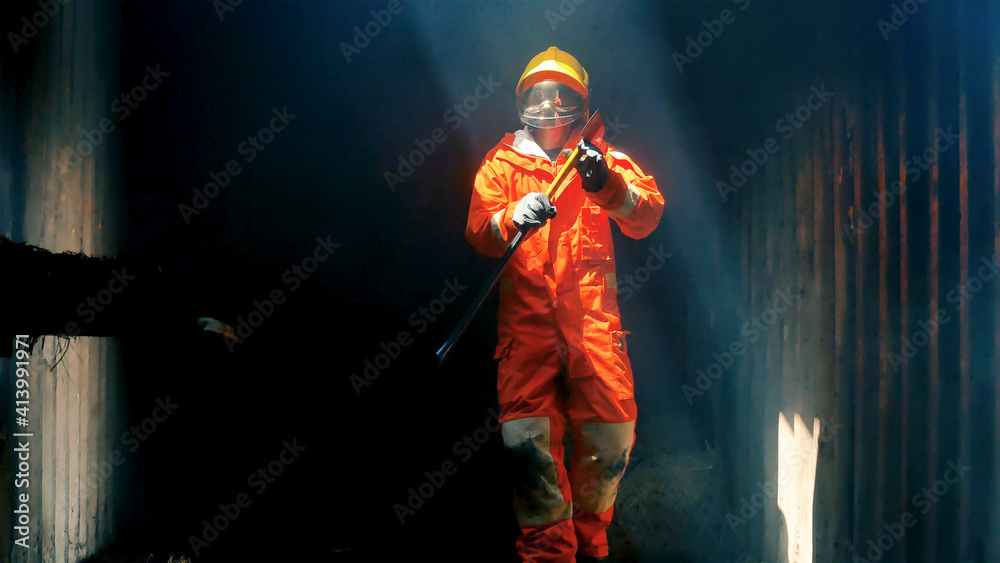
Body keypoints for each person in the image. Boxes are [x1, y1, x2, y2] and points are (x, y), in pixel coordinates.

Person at [464, 47, 665, 562]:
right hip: (527, 337)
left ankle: (591, 550)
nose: (550, 104)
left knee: (609, 447)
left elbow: (646, 215)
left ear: (579, 101)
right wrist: (513, 214)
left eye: (561, 94)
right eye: (539, 94)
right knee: (530, 460)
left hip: (596, 335)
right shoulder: (501, 164)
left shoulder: (602, 159)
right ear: (522, 101)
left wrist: (603, 183)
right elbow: (480, 232)